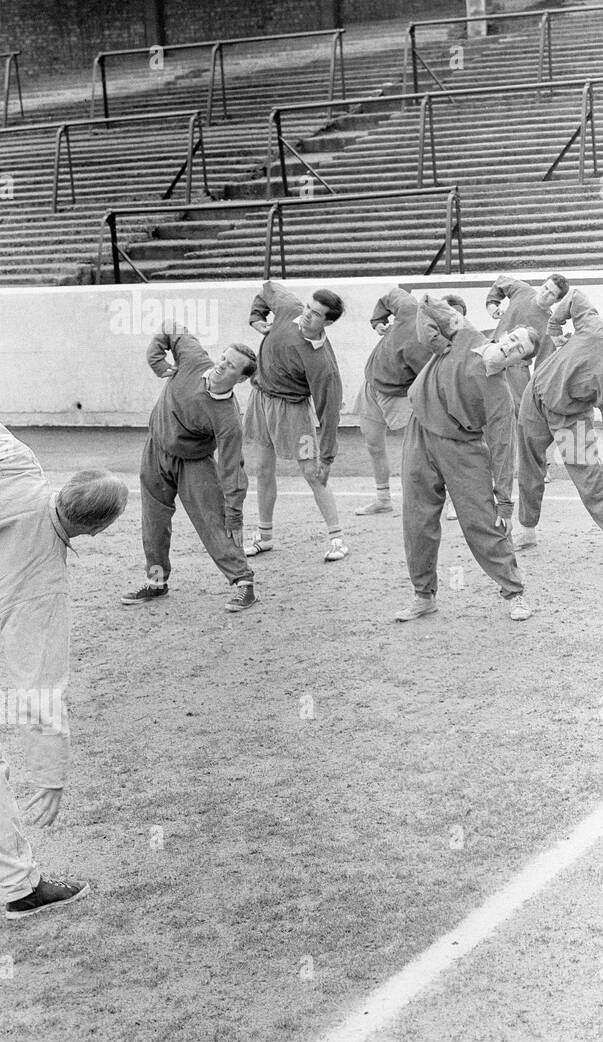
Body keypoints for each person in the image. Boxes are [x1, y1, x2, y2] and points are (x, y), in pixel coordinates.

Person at [1, 425, 127, 920]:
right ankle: (18, 888)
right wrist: (50, 776)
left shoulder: (18, 462)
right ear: (96, 530)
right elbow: (37, 691)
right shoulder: (44, 591)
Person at [396, 296, 539, 623]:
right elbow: (428, 304)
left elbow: (503, 451)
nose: (511, 347)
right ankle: (423, 595)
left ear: (519, 363)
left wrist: (504, 502)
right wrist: (436, 339)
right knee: (416, 518)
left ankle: (514, 593)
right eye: (513, 339)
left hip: (462, 447)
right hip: (420, 431)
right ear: (504, 335)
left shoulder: (501, 397)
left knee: (483, 521)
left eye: (519, 350)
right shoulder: (466, 334)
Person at [121, 328, 260, 613]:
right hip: (155, 450)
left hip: (193, 462)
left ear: (242, 379)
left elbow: (232, 468)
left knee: (214, 521)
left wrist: (234, 514)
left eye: (231, 365)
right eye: (223, 358)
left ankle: (244, 584)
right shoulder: (195, 359)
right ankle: (157, 582)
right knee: (153, 522)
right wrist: (157, 361)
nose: (221, 365)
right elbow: (171, 329)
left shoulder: (229, 419)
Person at [513, 288, 603, 556]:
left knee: (588, 473)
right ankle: (527, 529)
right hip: (534, 398)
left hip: (571, 418)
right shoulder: (594, 330)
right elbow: (575, 296)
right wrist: (555, 326)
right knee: (529, 465)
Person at [243, 281, 346, 562]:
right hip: (260, 400)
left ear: (328, 322)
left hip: (292, 411)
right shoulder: (290, 309)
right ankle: (264, 536)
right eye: (309, 308)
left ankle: (337, 539)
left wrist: (327, 455)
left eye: (316, 314)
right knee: (263, 470)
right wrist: (256, 319)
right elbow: (267, 289)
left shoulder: (322, 363)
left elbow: (329, 412)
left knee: (314, 473)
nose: (307, 316)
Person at [353, 287, 436, 517]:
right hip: (371, 385)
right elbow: (391, 295)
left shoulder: (430, 346)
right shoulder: (410, 309)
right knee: (373, 444)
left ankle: (444, 498)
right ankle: (383, 499)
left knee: (420, 450)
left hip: (399, 396)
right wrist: (378, 320)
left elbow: (432, 382)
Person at [485, 271, 568, 409]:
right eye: (546, 288)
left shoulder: (550, 325)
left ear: (557, 300)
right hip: (494, 347)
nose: (545, 294)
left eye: (551, 294)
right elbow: (500, 283)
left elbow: (543, 366)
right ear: (542, 285)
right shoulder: (522, 290)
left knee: (521, 407)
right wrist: (492, 305)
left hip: (517, 367)